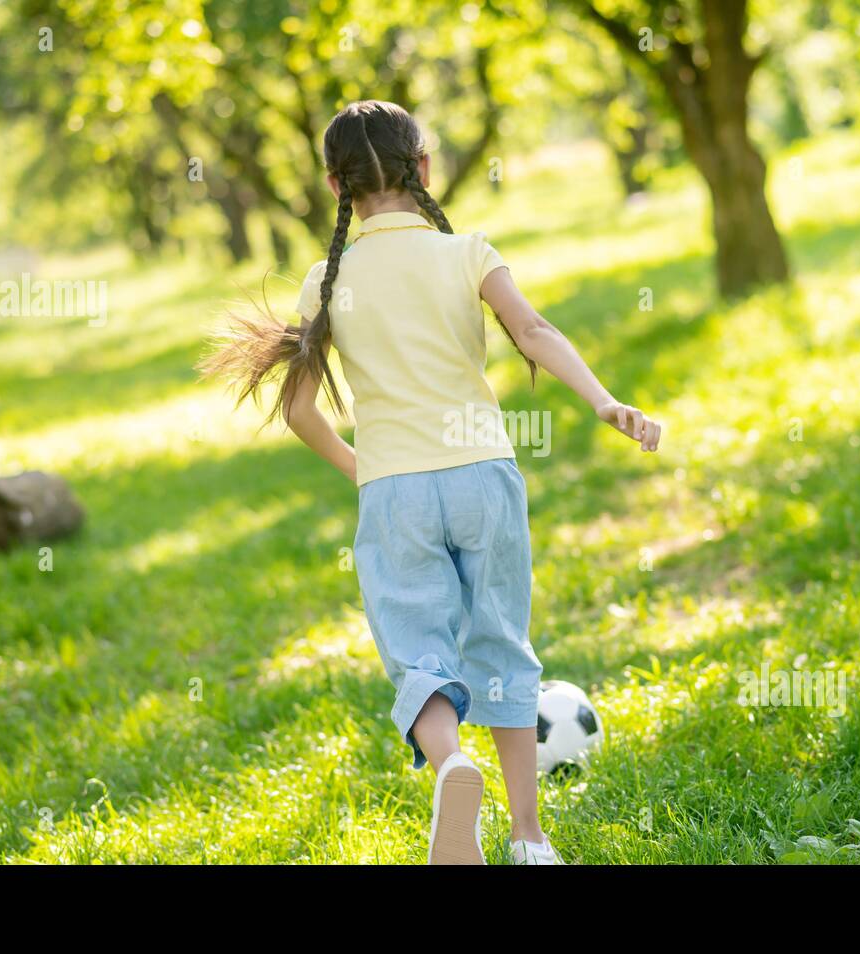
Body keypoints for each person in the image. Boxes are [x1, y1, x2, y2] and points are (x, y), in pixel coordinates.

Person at [197, 100, 661, 864]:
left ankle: (452, 764)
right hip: (484, 477)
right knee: (505, 647)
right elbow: (535, 333)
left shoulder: (326, 279)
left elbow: (302, 413)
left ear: (332, 184)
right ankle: (529, 838)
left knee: (421, 656)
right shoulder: (468, 252)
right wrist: (605, 401)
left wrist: (363, 471)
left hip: (397, 493)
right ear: (424, 167)